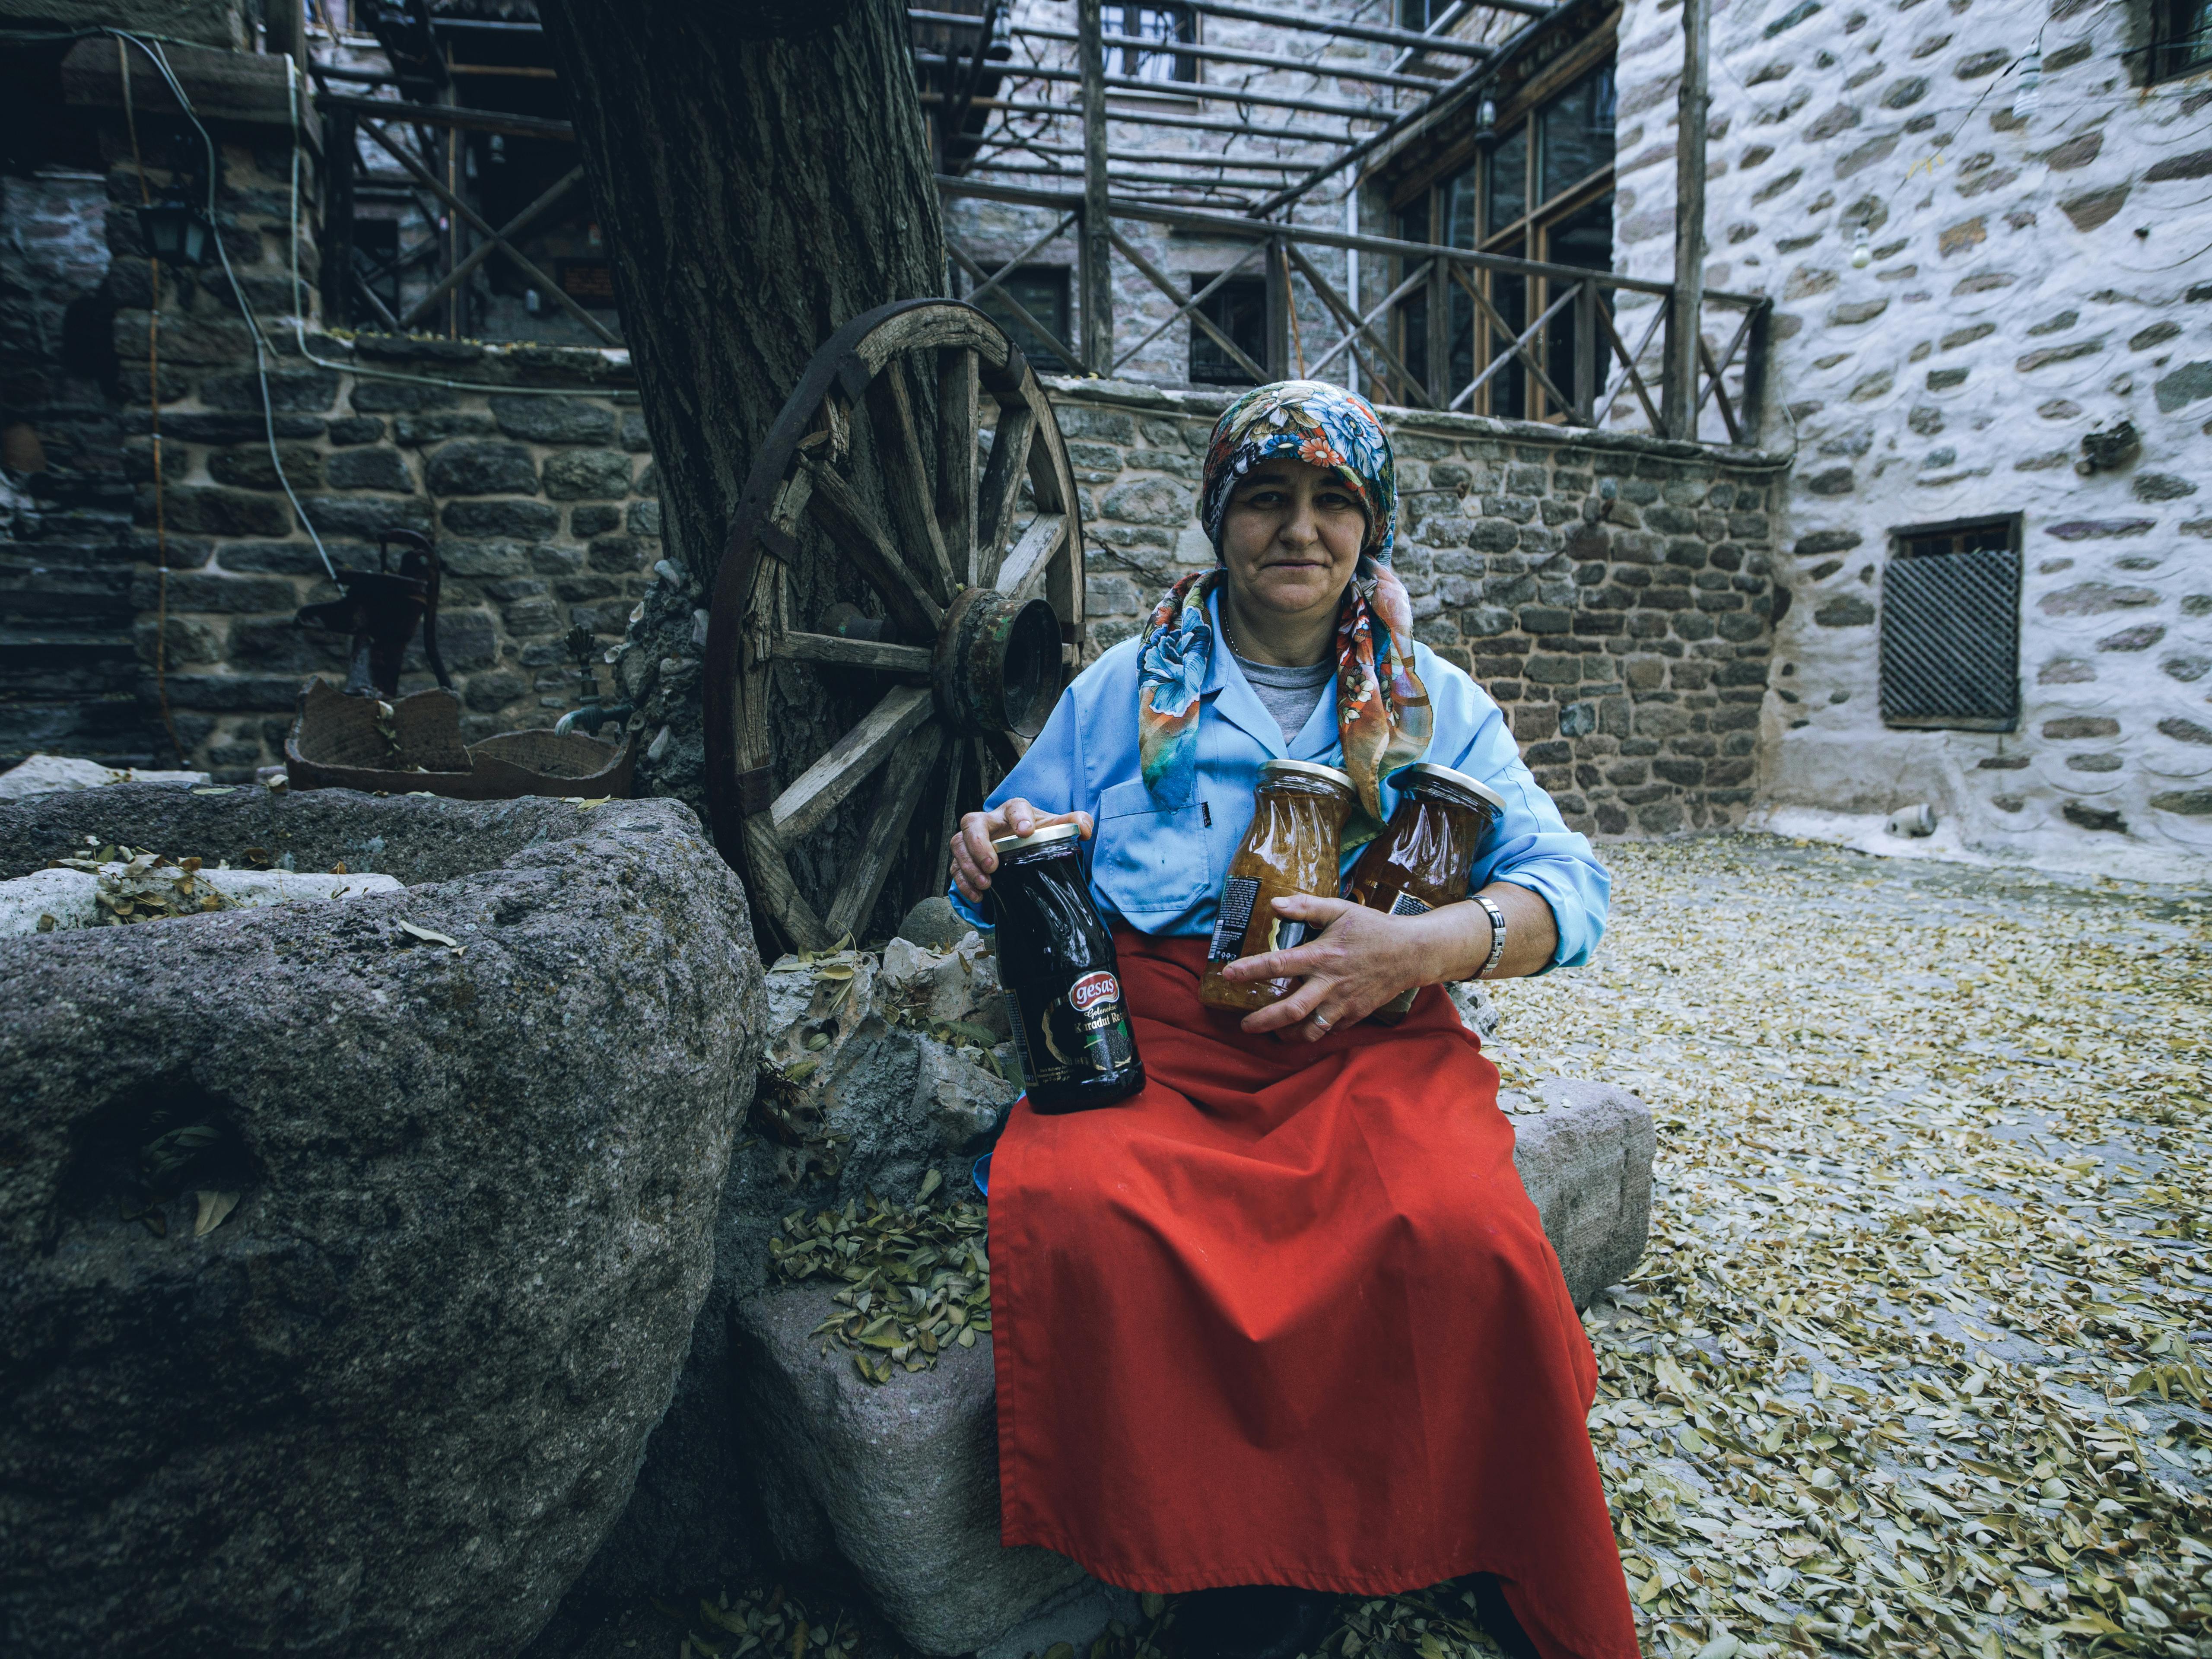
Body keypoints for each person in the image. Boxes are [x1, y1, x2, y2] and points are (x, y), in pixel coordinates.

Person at [947, 382, 1637, 1659]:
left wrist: (1418, 950)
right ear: (1222, 518)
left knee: (1458, 1225)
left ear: (1371, 530)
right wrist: (991, 852)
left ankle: (1471, 1521)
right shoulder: (1122, 692)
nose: (1301, 531)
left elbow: (1572, 893)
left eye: (1336, 502)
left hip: (1370, 1037)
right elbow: (1001, 853)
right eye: (1267, 498)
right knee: (1092, 1211)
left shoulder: (1432, 705)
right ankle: (1241, 1578)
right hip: (1154, 1049)